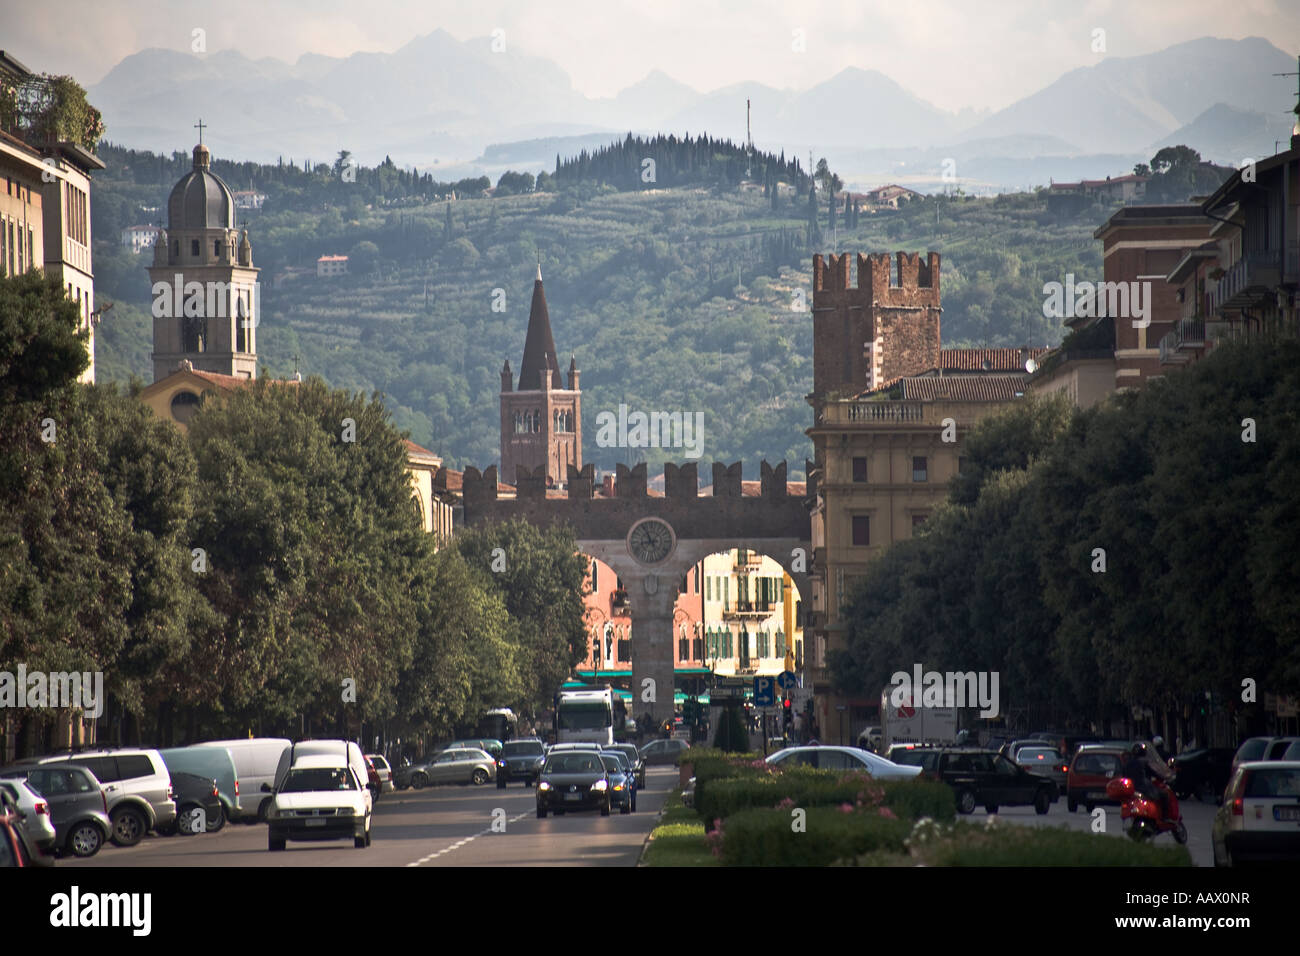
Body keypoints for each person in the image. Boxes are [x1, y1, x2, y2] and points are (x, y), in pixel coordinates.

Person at [1123, 741, 1173, 821]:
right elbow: (1154, 773)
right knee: (1164, 795)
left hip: (1132, 789)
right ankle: (1164, 817)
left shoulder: (1128, 764)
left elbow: (1124, 776)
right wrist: (1164, 778)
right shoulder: (1144, 762)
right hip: (1144, 788)